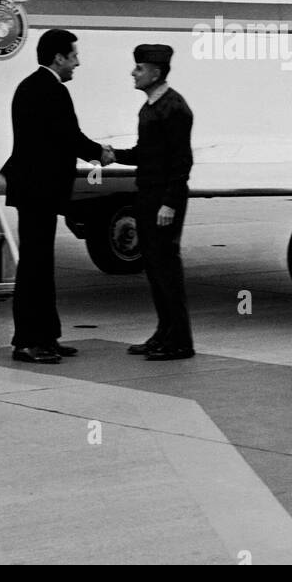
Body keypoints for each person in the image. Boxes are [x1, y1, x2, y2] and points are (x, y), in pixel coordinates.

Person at [1, 29, 110, 364]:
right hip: (39, 191)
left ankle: (45, 336)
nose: (77, 62)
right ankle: (27, 342)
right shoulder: (51, 91)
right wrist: (99, 153)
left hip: (34, 190)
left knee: (40, 264)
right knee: (35, 266)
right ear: (58, 57)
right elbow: (68, 136)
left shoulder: (30, 86)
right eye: (73, 55)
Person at [111, 44, 196, 360]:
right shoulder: (149, 108)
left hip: (163, 202)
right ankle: (165, 332)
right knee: (155, 269)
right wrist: (111, 155)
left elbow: (181, 162)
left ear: (156, 72)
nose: (133, 73)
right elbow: (143, 154)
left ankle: (180, 341)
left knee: (167, 270)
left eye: (139, 68)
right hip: (147, 197)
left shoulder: (174, 109)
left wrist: (170, 203)